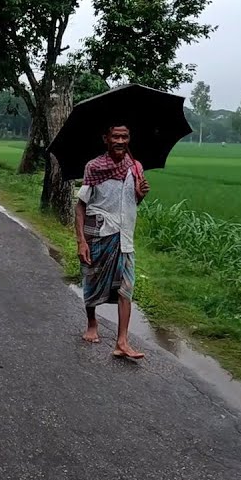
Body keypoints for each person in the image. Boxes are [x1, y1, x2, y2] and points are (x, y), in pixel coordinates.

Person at [75, 123, 149, 359]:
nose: (120, 141)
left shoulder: (136, 167)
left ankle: (122, 341)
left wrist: (140, 193)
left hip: (124, 235)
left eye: (124, 136)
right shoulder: (94, 167)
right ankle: (92, 323)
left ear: (129, 139)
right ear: (105, 138)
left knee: (126, 288)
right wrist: (81, 242)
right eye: (115, 136)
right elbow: (81, 206)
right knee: (92, 280)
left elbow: (131, 204)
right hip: (97, 233)